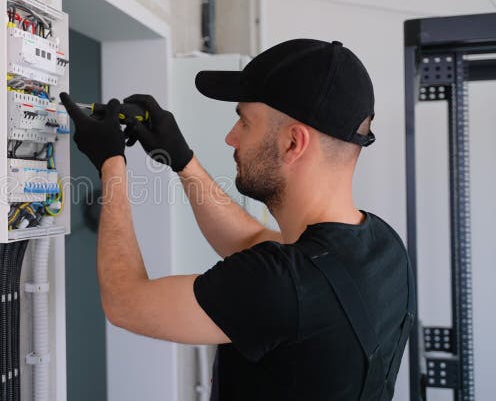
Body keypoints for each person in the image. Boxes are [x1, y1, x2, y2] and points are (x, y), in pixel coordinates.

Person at [58, 38, 415, 401]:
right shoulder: (383, 248)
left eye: (244, 123)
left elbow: (124, 302)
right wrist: (183, 161)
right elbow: (251, 239)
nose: (231, 138)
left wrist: (111, 165)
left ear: (294, 143)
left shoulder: (280, 286)